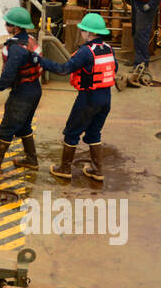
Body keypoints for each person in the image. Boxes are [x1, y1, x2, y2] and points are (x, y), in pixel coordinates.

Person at [38, 12, 115, 183]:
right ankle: (97, 170)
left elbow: (63, 69)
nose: (81, 33)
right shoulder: (109, 49)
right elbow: (113, 68)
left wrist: (41, 61)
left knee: (72, 132)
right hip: (105, 99)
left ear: (90, 33)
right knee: (94, 133)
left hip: (88, 99)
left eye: (83, 31)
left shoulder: (85, 52)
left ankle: (64, 168)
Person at [0, 7, 42, 171]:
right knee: (24, 125)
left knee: (7, 127)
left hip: (22, 93)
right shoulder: (30, 40)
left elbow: (7, 78)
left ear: (16, 27)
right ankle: (31, 159)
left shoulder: (15, 49)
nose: (5, 26)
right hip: (35, 89)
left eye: (8, 23)